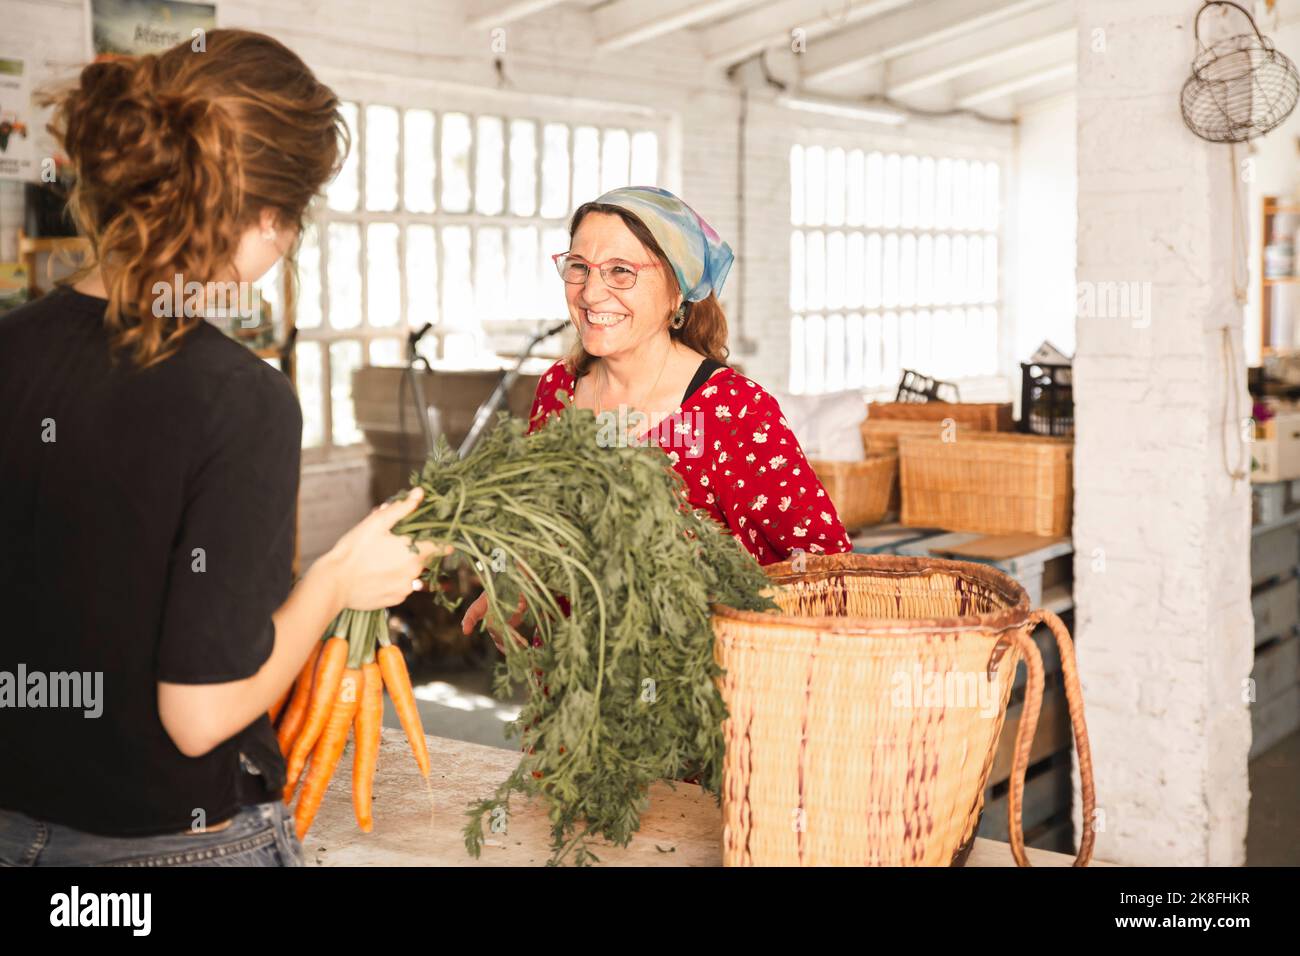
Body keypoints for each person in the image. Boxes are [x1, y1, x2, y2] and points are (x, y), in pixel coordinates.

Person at [0, 30, 443, 867]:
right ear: (269, 215)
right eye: (296, 217)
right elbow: (200, 714)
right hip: (169, 845)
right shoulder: (240, 398)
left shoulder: (11, 350)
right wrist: (335, 580)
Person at [463, 185, 852, 649]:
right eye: (579, 268)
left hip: (701, 692)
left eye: (621, 271)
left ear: (676, 290)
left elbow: (830, 568)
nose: (590, 292)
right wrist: (512, 578)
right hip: (574, 683)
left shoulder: (730, 411)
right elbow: (537, 521)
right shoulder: (559, 391)